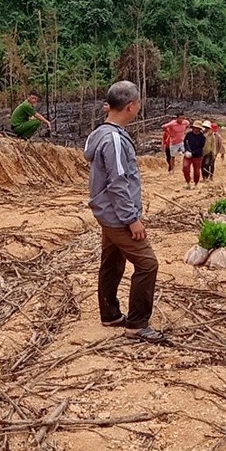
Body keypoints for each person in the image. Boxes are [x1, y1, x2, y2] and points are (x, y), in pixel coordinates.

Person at [83, 81, 164, 343]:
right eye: (138, 104)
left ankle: (110, 314)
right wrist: (132, 219)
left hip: (107, 212)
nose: (139, 108)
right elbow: (118, 182)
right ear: (130, 106)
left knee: (112, 260)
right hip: (117, 215)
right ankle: (137, 324)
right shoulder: (115, 139)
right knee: (147, 263)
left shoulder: (100, 133)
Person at [182, 120, 206, 189]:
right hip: (187, 155)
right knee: (185, 168)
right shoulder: (188, 135)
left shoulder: (202, 138)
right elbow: (185, 143)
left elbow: (200, 148)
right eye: (195, 127)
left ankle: (196, 183)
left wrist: (192, 153)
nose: (196, 129)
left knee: (197, 171)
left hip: (197, 156)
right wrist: (186, 151)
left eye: (198, 128)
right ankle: (188, 183)